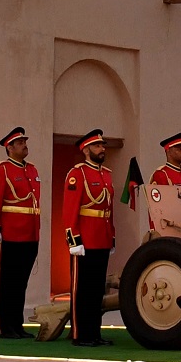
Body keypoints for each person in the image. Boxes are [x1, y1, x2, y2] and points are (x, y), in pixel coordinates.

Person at [0, 127, 41, 338]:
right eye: (20, 143)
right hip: (9, 236)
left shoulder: (32, 170)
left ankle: (17, 325)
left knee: (20, 283)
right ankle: (5, 327)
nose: (25, 145)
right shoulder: (2, 170)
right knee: (6, 282)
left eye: (25, 141)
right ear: (9, 147)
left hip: (29, 235)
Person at [63, 128, 115, 346]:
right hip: (84, 240)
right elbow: (70, 210)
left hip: (101, 238)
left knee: (96, 290)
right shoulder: (77, 174)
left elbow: (109, 209)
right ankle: (79, 334)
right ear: (86, 150)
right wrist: (73, 240)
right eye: (97, 146)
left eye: (102, 145)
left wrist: (111, 236)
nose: (102, 149)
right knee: (82, 290)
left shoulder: (107, 174)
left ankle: (94, 333)